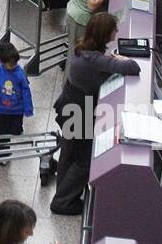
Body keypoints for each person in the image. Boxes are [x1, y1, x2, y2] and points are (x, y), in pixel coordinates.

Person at [51, 12, 141, 215]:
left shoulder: (83, 49)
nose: (116, 32)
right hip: (80, 111)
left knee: (69, 151)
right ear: (104, 34)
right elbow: (133, 67)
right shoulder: (95, 59)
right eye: (114, 29)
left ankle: (63, 192)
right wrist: (121, 58)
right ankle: (62, 201)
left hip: (70, 105)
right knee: (84, 159)